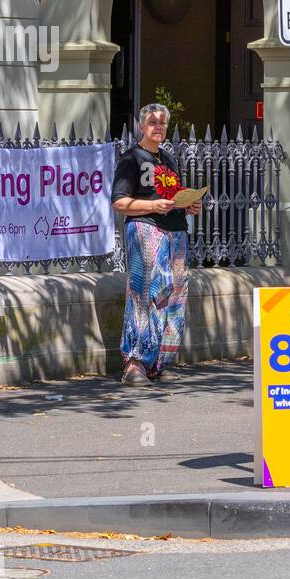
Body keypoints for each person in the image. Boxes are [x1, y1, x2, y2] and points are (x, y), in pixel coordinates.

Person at [111, 103, 203, 385]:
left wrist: (187, 205)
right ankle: (134, 362)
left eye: (163, 122)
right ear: (142, 126)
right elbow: (119, 202)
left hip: (175, 231)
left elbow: (173, 196)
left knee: (173, 295)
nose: (158, 126)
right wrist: (152, 206)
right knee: (144, 292)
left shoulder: (169, 160)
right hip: (146, 229)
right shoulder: (131, 159)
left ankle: (159, 362)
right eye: (153, 122)